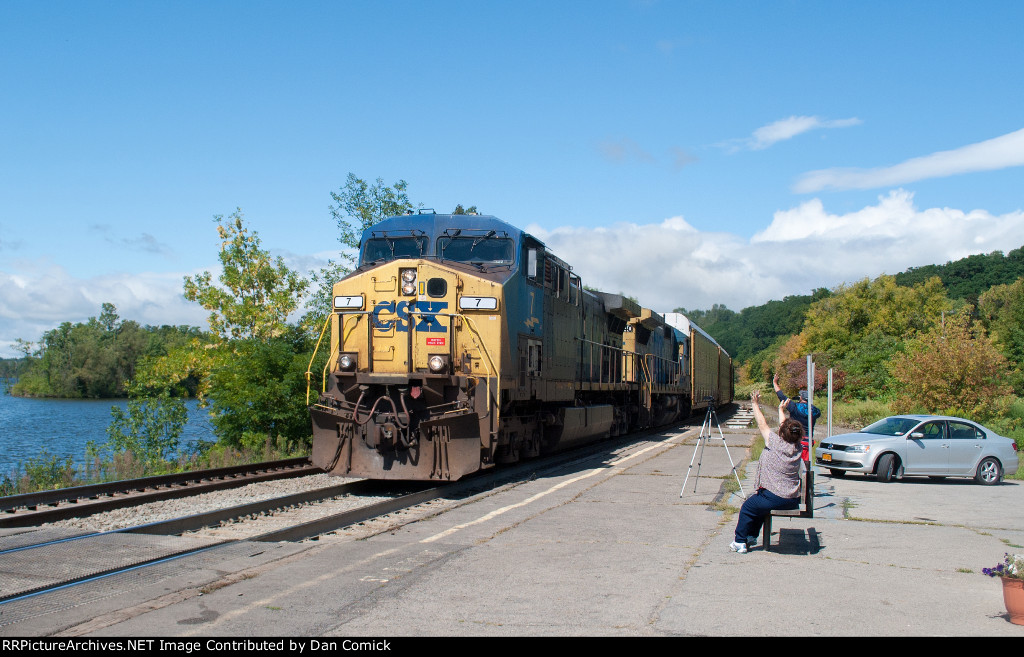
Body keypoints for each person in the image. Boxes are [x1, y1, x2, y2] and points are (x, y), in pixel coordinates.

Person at [730, 390, 803, 554]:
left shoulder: (774, 442)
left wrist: (755, 404)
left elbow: (762, 424)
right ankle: (751, 536)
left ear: (782, 433)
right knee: (758, 505)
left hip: (775, 497)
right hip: (791, 499)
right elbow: (786, 429)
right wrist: (780, 411)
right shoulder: (797, 447)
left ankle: (739, 541)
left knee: (748, 507)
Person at [772, 373, 820, 460]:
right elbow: (816, 411)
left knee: (795, 462)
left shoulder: (795, 407)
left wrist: (775, 383)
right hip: (808, 442)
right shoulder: (815, 411)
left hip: (796, 440)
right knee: (806, 462)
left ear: (801, 398)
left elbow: (781, 396)